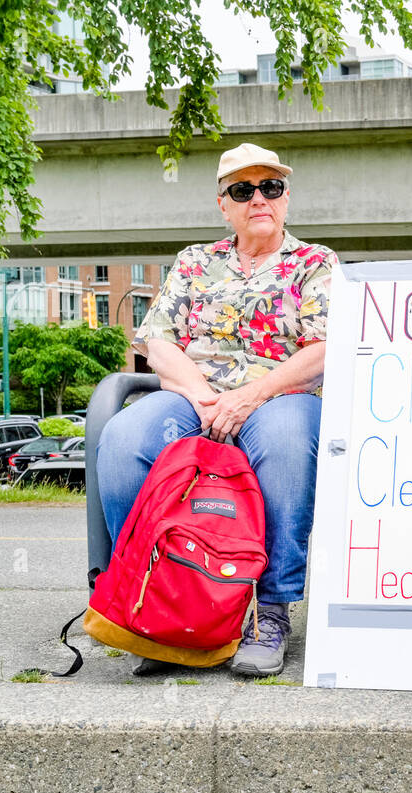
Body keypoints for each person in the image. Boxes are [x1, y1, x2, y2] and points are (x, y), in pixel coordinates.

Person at [97, 143, 337, 678]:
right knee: (125, 438)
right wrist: (205, 398)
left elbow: (322, 350)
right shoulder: (193, 262)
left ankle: (269, 611)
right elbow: (158, 343)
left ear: (286, 198)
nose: (259, 199)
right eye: (243, 190)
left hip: (277, 396)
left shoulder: (315, 263)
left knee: (285, 442)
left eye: (270, 188)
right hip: (195, 395)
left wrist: (249, 397)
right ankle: (149, 599)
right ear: (223, 205)